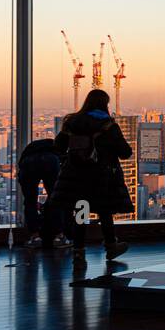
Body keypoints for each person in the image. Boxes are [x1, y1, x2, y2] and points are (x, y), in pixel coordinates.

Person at [50, 88, 132, 262]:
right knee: (105, 211)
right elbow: (125, 152)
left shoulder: (71, 123)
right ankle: (111, 246)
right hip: (102, 176)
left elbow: (58, 147)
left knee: (81, 213)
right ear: (105, 105)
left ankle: (78, 252)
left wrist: (70, 160)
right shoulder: (109, 126)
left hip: (76, 176)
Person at [17, 137, 67, 249]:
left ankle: (35, 237)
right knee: (56, 198)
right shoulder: (58, 148)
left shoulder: (34, 148)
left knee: (30, 201)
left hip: (28, 162)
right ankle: (59, 236)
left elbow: (21, 166)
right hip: (51, 160)